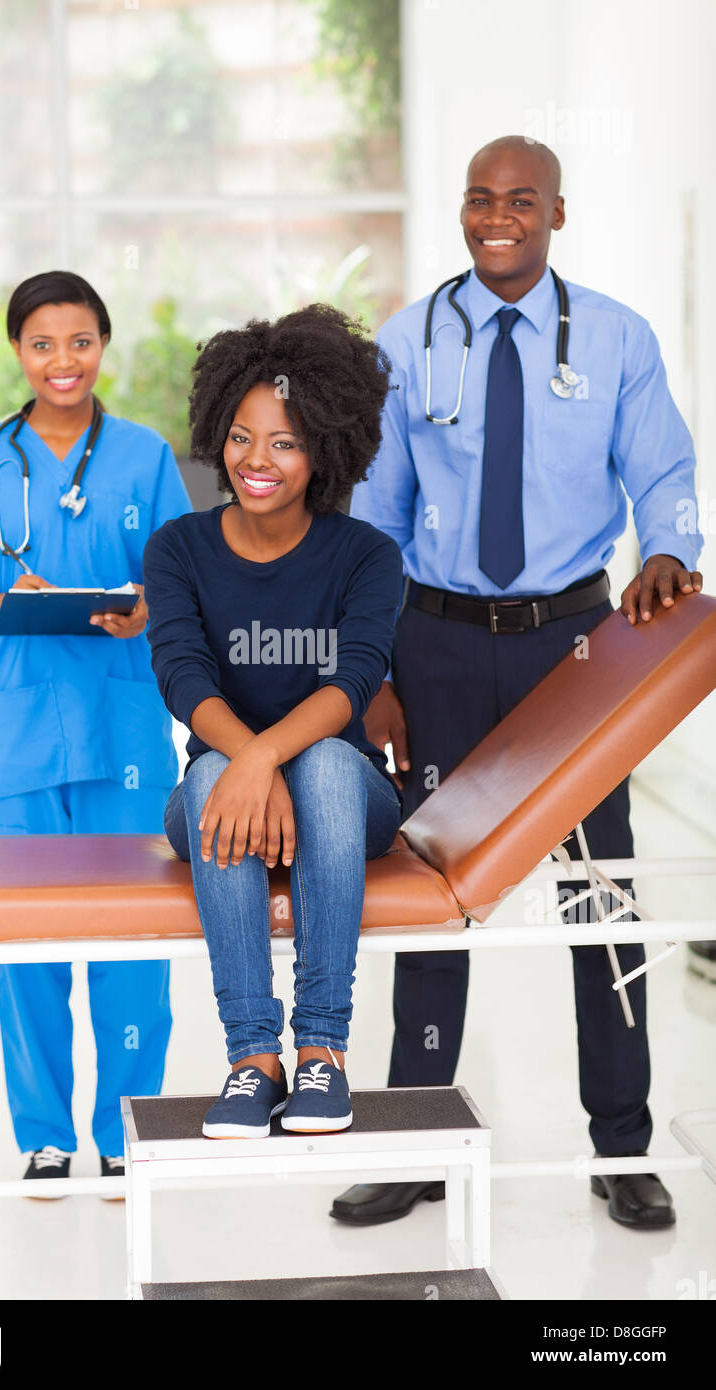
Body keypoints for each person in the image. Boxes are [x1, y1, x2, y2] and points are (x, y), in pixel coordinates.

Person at [334, 136, 703, 1230]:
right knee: (431, 897)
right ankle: (410, 1141)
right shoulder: (406, 344)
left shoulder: (616, 339)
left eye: (521, 201)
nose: (498, 218)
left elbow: (664, 471)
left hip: (573, 647)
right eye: (479, 200)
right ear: (461, 211)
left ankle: (621, 1143)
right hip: (436, 640)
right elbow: (373, 522)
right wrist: (378, 676)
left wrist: (669, 547)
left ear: (555, 212)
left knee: (600, 893)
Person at [0, 270, 191, 1192]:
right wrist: (6, 606)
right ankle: (44, 1135)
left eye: (79, 341)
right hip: (18, 739)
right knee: (25, 945)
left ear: (102, 347)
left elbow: (178, 584)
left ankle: (126, 1132)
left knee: (132, 942)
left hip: (122, 728)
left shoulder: (146, 456)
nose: (61, 361)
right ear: (19, 353)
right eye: (42, 344)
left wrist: (141, 609)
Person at [142, 304, 405, 1138]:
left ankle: (322, 1051)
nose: (258, 460)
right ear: (218, 430)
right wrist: (250, 762)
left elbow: (354, 681)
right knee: (216, 771)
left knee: (326, 760)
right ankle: (253, 1058)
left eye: (285, 442)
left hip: (340, 795)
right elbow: (181, 674)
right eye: (243, 437)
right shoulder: (178, 548)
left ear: (324, 449)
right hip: (218, 788)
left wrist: (269, 760)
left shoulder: (366, 555)